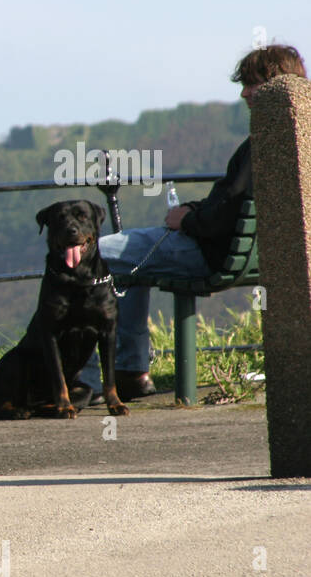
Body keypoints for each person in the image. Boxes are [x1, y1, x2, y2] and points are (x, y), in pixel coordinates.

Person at [82, 43, 307, 399]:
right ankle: (130, 371)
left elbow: (220, 218)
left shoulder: (261, 142)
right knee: (130, 266)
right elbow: (231, 205)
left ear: (277, 85)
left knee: (96, 255)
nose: (245, 93)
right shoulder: (298, 139)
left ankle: (88, 379)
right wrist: (195, 211)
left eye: (252, 84)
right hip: (254, 257)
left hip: (207, 251)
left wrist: (185, 221)